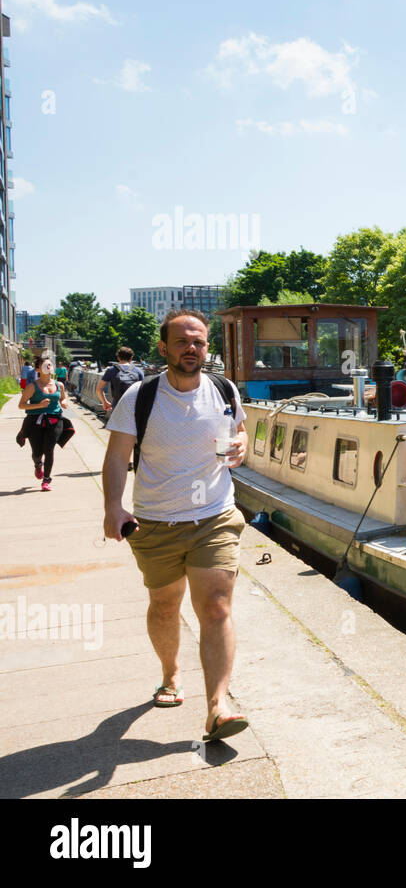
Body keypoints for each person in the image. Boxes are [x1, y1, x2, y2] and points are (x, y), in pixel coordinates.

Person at [102, 310, 251, 743]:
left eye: (199, 342)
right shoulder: (139, 396)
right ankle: (170, 674)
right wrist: (113, 506)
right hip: (155, 521)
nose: (192, 349)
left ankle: (218, 705)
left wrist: (242, 442)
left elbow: (240, 430)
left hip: (215, 517)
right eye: (183, 342)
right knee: (165, 606)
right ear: (164, 347)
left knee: (217, 607)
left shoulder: (224, 389)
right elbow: (116, 457)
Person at [17, 356, 71, 490]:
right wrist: (38, 405)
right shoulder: (32, 386)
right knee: (37, 452)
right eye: (44, 364)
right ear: (37, 369)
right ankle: (37, 464)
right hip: (35, 420)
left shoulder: (59, 385)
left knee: (49, 449)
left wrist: (64, 402)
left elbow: (63, 399)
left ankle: (46, 479)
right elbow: (21, 405)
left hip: (54, 420)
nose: (48, 366)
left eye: (49, 364)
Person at [97, 346, 144, 417]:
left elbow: (99, 389)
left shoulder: (111, 370)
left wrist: (105, 402)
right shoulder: (138, 371)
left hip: (117, 408)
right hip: (135, 409)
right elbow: (144, 391)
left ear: (118, 357)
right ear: (131, 358)